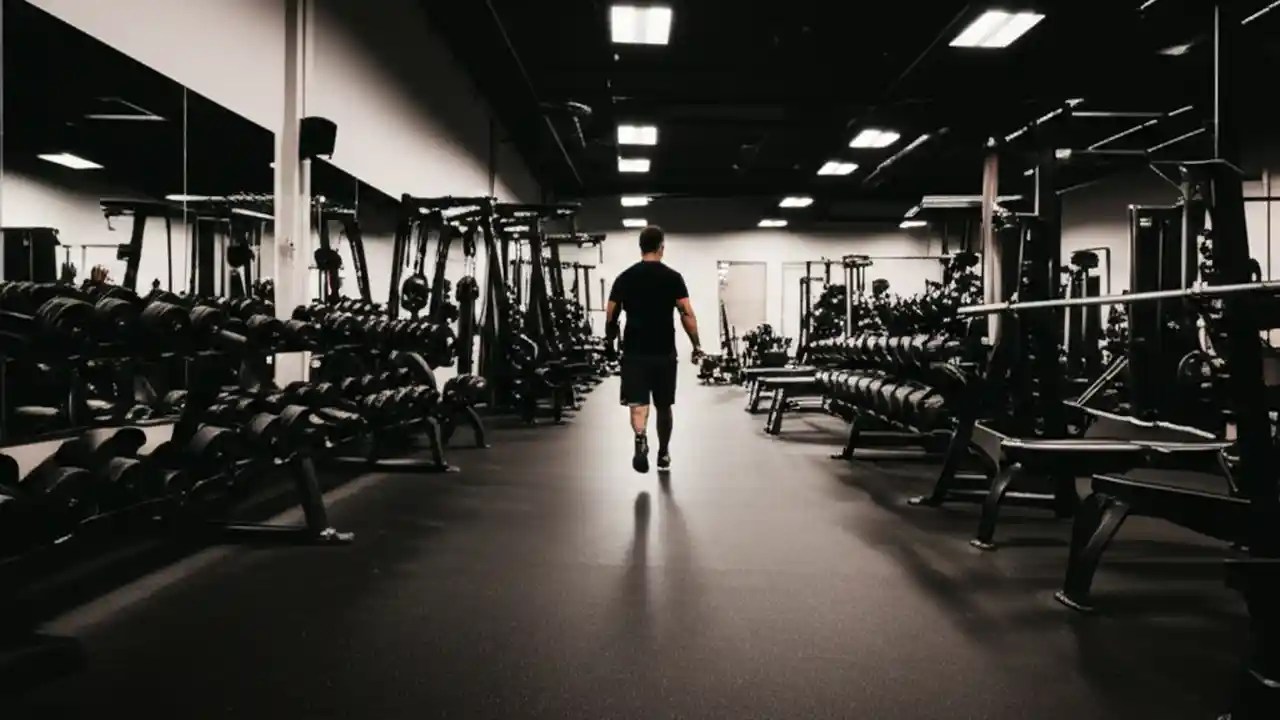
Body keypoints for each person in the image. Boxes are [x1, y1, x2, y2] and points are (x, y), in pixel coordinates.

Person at [605, 225, 702, 474]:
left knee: (638, 403)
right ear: (661, 247)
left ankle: (640, 438)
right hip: (663, 352)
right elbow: (686, 313)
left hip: (635, 351)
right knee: (664, 405)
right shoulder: (673, 277)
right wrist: (696, 345)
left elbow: (611, 312)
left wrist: (610, 338)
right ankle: (663, 453)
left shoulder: (625, 277)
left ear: (641, 247)